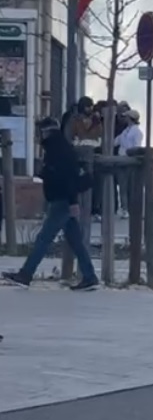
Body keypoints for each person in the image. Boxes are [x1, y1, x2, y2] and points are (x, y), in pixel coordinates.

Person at [1, 118, 99, 291]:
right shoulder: (58, 148)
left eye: (40, 131)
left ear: (46, 131)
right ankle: (90, 276)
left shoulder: (57, 150)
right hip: (61, 200)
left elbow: (67, 178)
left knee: (43, 239)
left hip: (61, 201)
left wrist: (72, 201)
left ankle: (26, 274)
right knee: (76, 241)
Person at [114, 109, 144, 218]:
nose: (124, 119)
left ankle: (132, 208)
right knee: (123, 186)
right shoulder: (125, 130)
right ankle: (124, 208)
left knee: (131, 186)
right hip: (121, 159)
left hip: (130, 160)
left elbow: (136, 146)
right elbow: (116, 141)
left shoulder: (137, 132)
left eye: (126, 117)